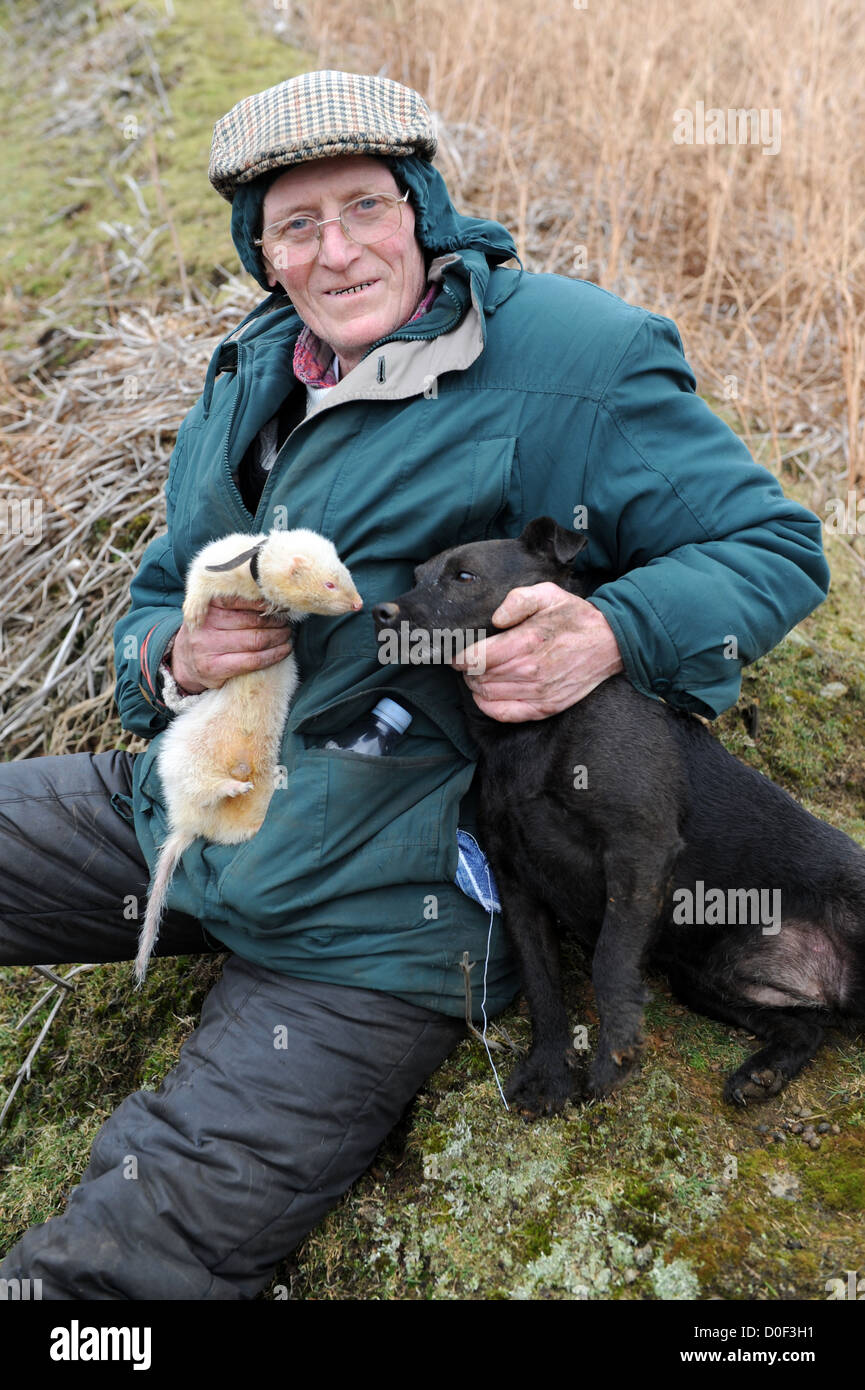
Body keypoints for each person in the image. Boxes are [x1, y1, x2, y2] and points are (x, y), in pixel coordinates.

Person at [0, 69, 830, 1299]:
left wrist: (611, 630)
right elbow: (160, 587)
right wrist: (168, 654)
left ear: (426, 207)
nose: (337, 252)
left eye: (367, 207)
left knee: (117, 1269)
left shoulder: (575, 357)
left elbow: (774, 547)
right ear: (261, 249)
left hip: (386, 919)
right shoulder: (249, 371)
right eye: (296, 224)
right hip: (186, 808)